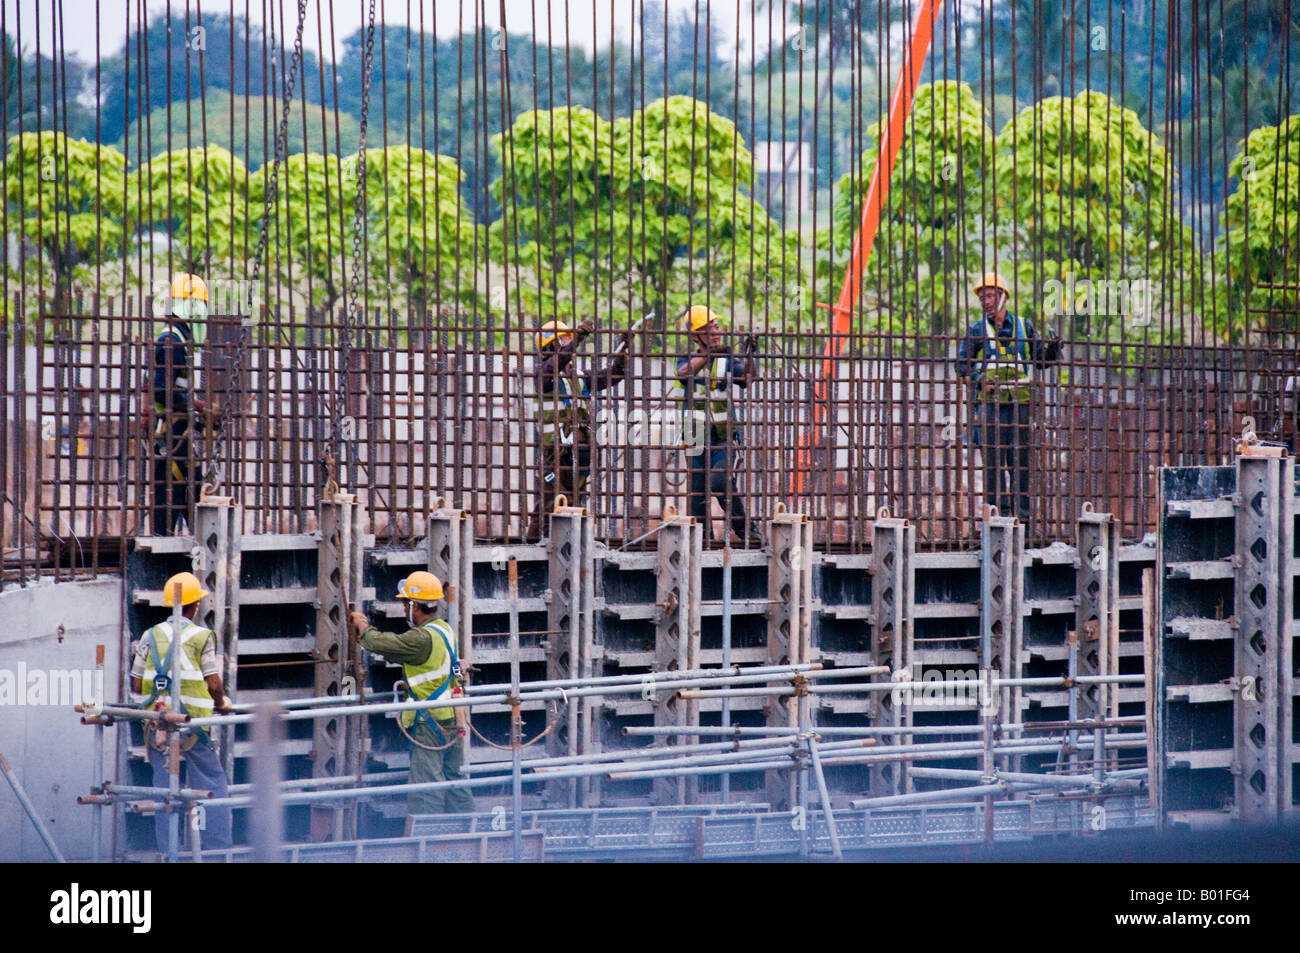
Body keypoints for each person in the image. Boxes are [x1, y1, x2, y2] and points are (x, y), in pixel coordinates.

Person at [348, 571, 474, 816]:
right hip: (451, 715)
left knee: (427, 787)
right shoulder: (443, 629)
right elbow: (412, 656)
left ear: (415, 605)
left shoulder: (420, 637)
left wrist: (361, 625)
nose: (405, 609)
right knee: (455, 778)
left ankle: (428, 843)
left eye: (406, 603)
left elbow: (379, 643)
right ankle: (470, 832)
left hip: (429, 721)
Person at [130, 571, 233, 853]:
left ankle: (168, 851)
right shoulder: (201, 636)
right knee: (210, 785)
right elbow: (213, 682)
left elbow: (137, 683)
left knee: (166, 791)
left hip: (158, 723)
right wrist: (222, 703)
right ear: (195, 605)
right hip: (192, 725)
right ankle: (216, 852)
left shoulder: (149, 635)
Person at [956, 272, 1062, 521]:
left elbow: (1040, 361)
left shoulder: (1024, 327)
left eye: (990, 295)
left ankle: (1022, 518)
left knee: (1020, 462)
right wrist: (980, 378)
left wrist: (1053, 350)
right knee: (992, 464)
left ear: (1003, 296)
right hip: (990, 406)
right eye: (982, 297)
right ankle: (995, 516)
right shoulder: (976, 330)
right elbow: (961, 366)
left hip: (1020, 405)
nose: (986, 301)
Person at [526, 319, 631, 541]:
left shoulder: (579, 377)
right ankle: (536, 546)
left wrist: (622, 352)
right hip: (554, 453)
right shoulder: (544, 376)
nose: (569, 343)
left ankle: (567, 546)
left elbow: (614, 375)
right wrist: (580, 337)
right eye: (565, 339)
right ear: (553, 346)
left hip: (579, 453)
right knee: (548, 503)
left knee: (573, 505)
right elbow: (555, 364)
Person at [674, 304, 762, 545]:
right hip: (696, 435)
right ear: (696, 336)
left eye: (716, 328)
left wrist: (751, 354)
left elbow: (747, 378)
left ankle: (746, 530)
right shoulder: (688, 358)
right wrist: (707, 356)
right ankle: (702, 541)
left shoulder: (727, 359)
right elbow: (683, 374)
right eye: (710, 329)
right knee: (698, 494)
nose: (716, 333)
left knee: (721, 480)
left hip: (723, 434)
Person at [151, 273, 218, 535]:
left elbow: (171, 387)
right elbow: (160, 389)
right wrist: (193, 406)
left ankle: (189, 539)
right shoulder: (172, 340)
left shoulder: (178, 337)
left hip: (176, 427)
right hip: (170, 429)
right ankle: (172, 539)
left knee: (183, 484)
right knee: (177, 484)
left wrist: (194, 404)